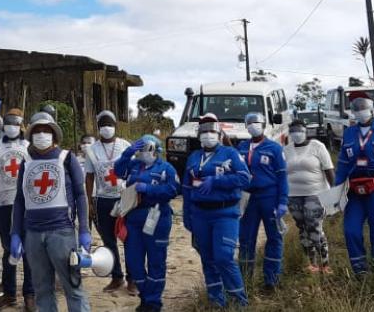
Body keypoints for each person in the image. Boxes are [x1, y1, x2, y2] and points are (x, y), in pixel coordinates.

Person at [12, 112, 91, 312]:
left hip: (62, 232)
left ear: (54, 134)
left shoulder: (67, 158)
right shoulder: (26, 162)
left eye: (46, 130)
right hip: (33, 234)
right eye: (37, 131)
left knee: (73, 287)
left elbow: (81, 195)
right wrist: (15, 233)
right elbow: (20, 200)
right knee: (42, 290)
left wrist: (84, 229)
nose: (41, 134)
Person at [181, 113, 251, 308]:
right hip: (200, 214)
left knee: (224, 257)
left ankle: (239, 302)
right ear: (198, 134)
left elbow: (245, 178)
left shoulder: (230, 154)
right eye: (203, 130)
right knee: (207, 258)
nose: (207, 134)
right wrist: (187, 215)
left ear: (219, 133)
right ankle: (216, 300)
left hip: (225, 213)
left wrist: (217, 181)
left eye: (211, 130)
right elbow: (186, 189)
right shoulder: (194, 157)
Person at [114, 135, 179, 312]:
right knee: (133, 261)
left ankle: (153, 302)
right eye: (139, 148)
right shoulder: (134, 165)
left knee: (156, 261)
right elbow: (118, 171)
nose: (142, 152)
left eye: (145, 148)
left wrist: (148, 188)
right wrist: (128, 153)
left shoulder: (166, 168)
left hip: (157, 216)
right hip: (134, 217)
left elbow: (173, 190)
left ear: (154, 150)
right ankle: (146, 295)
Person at [334, 93, 374, 276]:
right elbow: (343, 163)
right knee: (351, 230)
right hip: (354, 189)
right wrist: (337, 191)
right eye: (356, 109)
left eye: (363, 108)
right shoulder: (349, 133)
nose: (360, 112)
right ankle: (360, 272)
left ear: (371, 109)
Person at [0, 108, 33, 310]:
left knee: (29, 249)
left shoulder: (29, 146)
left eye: (16, 123)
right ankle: (9, 293)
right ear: (3, 126)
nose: (12, 126)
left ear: (21, 126)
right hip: (4, 204)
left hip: (26, 204)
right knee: (8, 249)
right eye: (8, 122)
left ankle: (30, 294)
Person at [237, 112, 288, 292]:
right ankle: (244, 279)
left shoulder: (274, 148)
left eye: (256, 122)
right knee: (245, 238)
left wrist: (282, 201)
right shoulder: (242, 147)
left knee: (274, 237)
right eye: (249, 122)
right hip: (248, 198)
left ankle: (271, 280)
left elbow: (282, 177)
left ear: (264, 124)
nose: (252, 125)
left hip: (269, 197)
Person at [82, 110, 131, 293]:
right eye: (103, 125)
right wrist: (90, 201)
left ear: (115, 126)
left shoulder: (125, 146)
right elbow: (89, 177)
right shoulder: (92, 150)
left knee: (129, 239)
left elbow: (134, 171)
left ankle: (132, 279)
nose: (107, 128)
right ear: (98, 128)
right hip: (103, 200)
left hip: (124, 199)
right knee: (109, 241)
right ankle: (116, 277)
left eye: (110, 124)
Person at [283, 119, 335, 273]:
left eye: (299, 129)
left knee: (313, 225)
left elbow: (329, 170)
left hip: (316, 193)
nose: (296, 133)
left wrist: (334, 196)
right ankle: (311, 263)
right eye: (292, 130)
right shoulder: (286, 150)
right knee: (302, 227)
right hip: (293, 194)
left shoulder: (317, 146)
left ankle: (325, 263)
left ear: (305, 131)